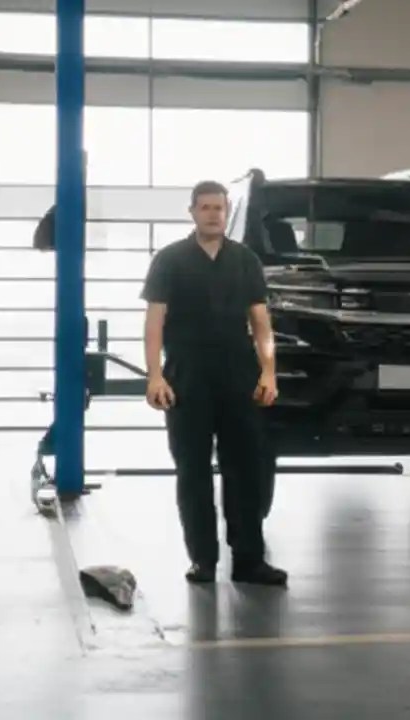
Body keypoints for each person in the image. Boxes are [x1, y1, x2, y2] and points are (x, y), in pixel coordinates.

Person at [140, 180, 287, 587]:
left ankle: (249, 561)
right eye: (205, 207)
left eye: (219, 208)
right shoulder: (170, 260)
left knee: (245, 469)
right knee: (193, 470)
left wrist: (268, 371)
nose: (213, 214)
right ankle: (203, 560)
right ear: (192, 211)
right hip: (186, 374)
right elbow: (155, 323)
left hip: (238, 374)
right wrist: (155, 375)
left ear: (227, 212)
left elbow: (261, 323)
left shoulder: (245, 260)